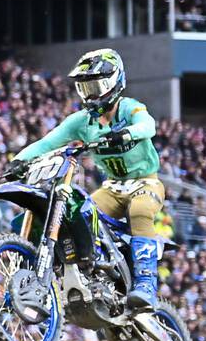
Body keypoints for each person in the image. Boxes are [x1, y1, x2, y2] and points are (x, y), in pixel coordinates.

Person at [11, 48, 164, 311]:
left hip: (145, 183)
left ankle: (146, 284)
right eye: (85, 88)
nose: (90, 94)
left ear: (114, 82)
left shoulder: (129, 108)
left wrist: (125, 134)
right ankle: (85, 271)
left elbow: (148, 125)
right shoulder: (82, 121)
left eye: (95, 86)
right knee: (78, 214)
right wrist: (18, 161)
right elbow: (48, 142)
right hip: (112, 187)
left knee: (140, 211)